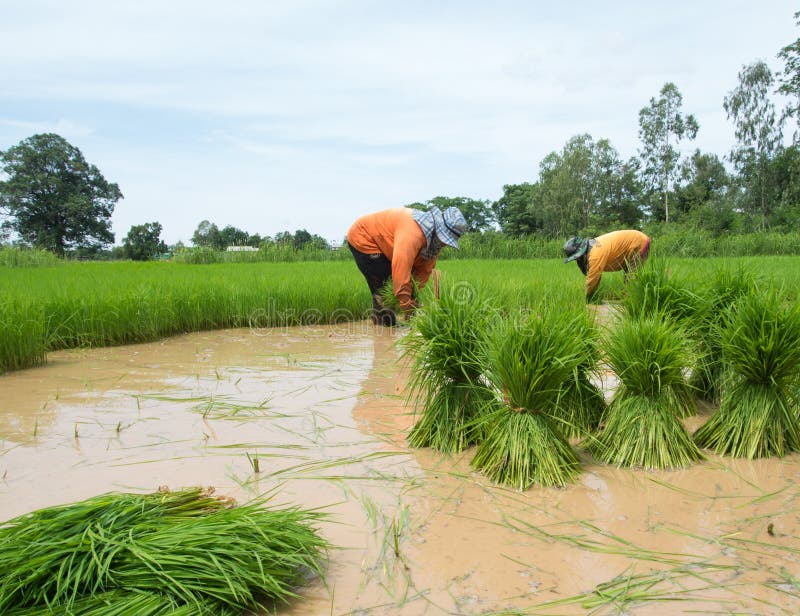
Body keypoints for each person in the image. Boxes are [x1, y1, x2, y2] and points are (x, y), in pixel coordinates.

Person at [347, 206, 467, 325]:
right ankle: (383, 330)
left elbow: (423, 272)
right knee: (385, 287)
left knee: (405, 291)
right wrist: (406, 305)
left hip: (388, 244)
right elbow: (401, 270)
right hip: (365, 238)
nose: (444, 244)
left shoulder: (435, 243)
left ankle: (390, 325)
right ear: (437, 228)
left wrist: (413, 297)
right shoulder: (412, 234)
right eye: (444, 239)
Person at [563, 230, 651, 299]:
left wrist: (584, 298)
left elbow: (593, 280)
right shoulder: (592, 246)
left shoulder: (595, 255)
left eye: (576, 258)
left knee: (631, 279)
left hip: (638, 242)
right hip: (634, 240)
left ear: (581, 252)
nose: (577, 260)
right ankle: (626, 298)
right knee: (629, 279)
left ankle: (631, 305)